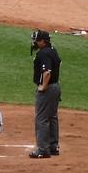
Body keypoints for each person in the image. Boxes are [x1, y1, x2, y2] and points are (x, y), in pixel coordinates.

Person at [29, 29, 61, 159]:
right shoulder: (53, 50)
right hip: (56, 87)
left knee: (41, 118)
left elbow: (47, 72)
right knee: (52, 117)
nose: (35, 42)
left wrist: (43, 87)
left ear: (43, 41)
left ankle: (43, 149)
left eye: (36, 40)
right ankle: (53, 147)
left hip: (48, 89)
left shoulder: (43, 54)